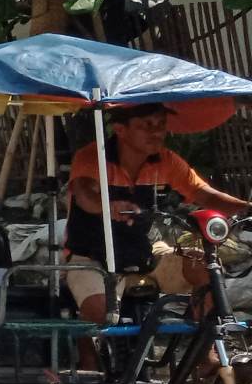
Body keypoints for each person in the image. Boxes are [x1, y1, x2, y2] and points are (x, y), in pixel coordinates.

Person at [63, 103, 250, 324]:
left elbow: (205, 195)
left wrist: (246, 208)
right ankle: (87, 347)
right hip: (92, 257)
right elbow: (84, 195)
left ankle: (201, 340)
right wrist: (109, 206)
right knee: (100, 312)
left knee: (205, 268)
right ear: (120, 129)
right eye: (147, 125)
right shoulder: (92, 157)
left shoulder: (166, 160)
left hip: (145, 253)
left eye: (161, 124)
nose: (157, 132)